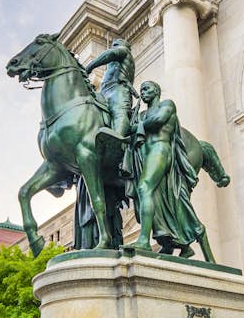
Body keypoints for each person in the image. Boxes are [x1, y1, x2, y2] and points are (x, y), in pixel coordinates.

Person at [130, 81, 215, 262]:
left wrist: (138, 124)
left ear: (157, 91)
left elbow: (157, 121)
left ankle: (144, 240)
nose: (143, 92)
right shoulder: (142, 114)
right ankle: (177, 243)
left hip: (161, 151)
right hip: (148, 156)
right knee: (151, 195)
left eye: (147, 89)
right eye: (141, 90)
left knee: (144, 188)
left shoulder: (167, 105)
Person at [82, 38, 137, 172]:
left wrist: (89, 67)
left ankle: (119, 145)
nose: (114, 47)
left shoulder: (124, 52)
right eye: (113, 45)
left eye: (116, 45)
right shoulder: (114, 61)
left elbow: (109, 54)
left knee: (119, 113)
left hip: (118, 90)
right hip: (104, 92)